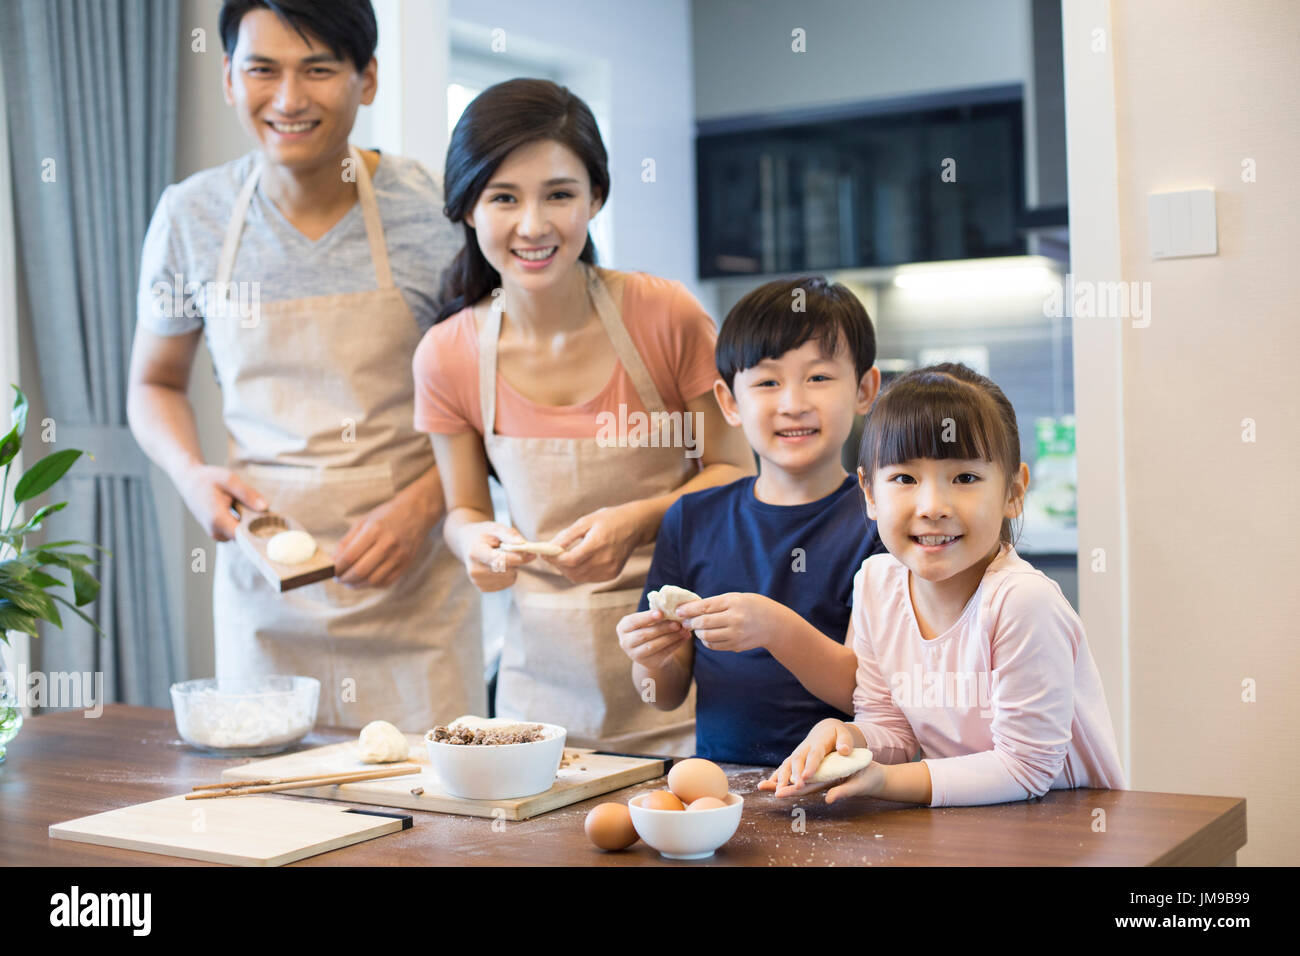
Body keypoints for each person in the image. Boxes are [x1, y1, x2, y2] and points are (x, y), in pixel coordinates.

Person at [127, 0, 483, 730]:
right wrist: (191, 475)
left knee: (433, 831)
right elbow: (153, 383)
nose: (289, 99)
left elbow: (499, 398)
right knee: (273, 819)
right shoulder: (190, 218)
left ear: (368, 79)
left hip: (414, 597)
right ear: (229, 77)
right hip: (267, 599)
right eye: (263, 69)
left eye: (319, 70)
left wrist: (424, 506)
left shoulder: (437, 213)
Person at [415, 78, 755, 755]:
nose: (533, 225)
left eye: (560, 195)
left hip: (687, 681)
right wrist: (476, 546)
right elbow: (462, 512)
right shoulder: (448, 355)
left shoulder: (665, 316)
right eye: (503, 198)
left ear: (595, 198)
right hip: (539, 702)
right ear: (466, 208)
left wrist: (632, 523)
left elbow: (733, 472)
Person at [759, 363, 1126, 805]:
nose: (932, 506)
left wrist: (886, 782)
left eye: (965, 478)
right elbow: (894, 730)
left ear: (1013, 492)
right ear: (870, 493)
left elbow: (1026, 769)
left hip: (1065, 826)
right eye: (905, 479)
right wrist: (844, 736)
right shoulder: (876, 582)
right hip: (968, 825)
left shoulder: (1023, 602)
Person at [615, 277, 885, 765]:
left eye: (819, 378)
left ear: (865, 389)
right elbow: (665, 695)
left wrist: (775, 629)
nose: (793, 403)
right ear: (729, 403)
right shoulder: (691, 518)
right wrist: (651, 658)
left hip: (848, 792)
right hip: (725, 792)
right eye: (767, 382)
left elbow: (871, 697)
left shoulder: (881, 523)